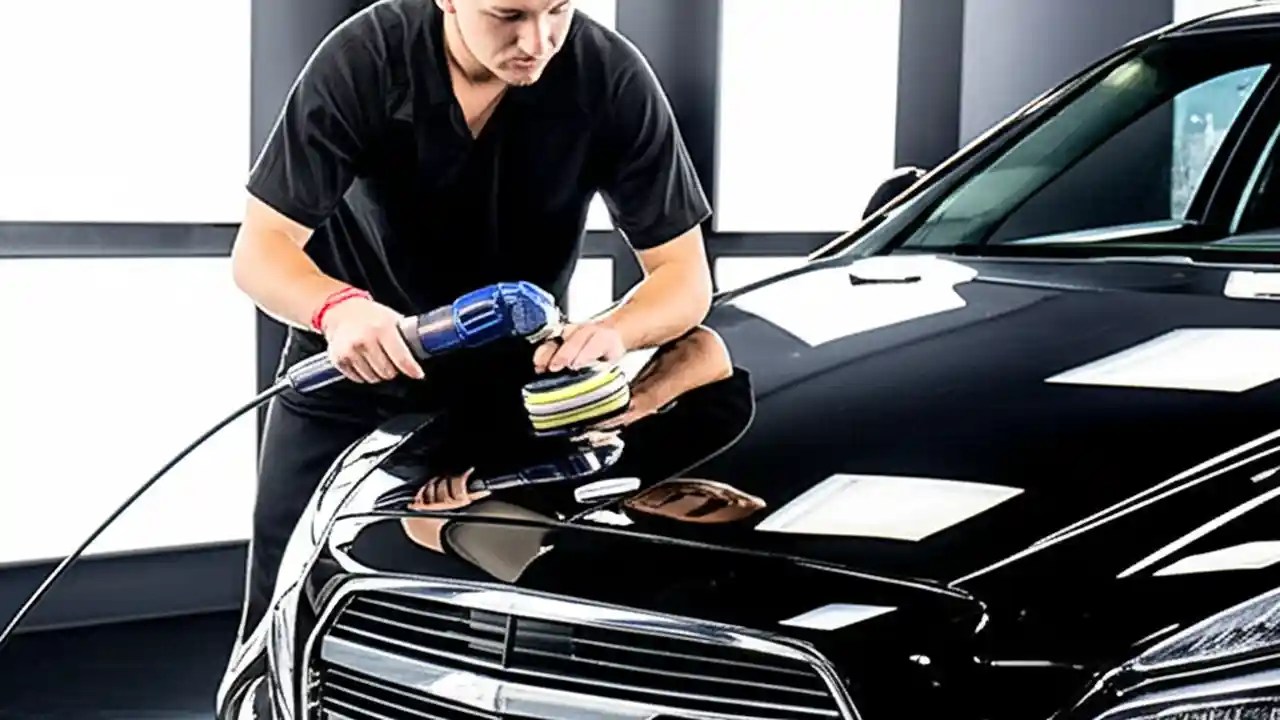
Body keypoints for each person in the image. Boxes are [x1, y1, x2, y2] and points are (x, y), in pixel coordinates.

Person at [227, 0, 713, 645]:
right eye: (507, 14)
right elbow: (260, 249)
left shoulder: (608, 74)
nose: (537, 41)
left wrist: (615, 330)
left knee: (519, 627)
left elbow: (684, 277)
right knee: (288, 620)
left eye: (559, 10)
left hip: (513, 396)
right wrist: (337, 310)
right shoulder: (369, 57)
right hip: (350, 377)